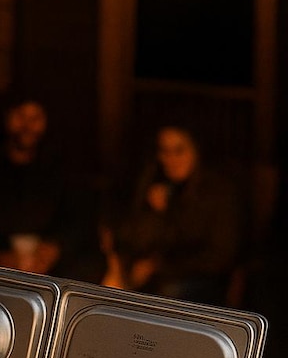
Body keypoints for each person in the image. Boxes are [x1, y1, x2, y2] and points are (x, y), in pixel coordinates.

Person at [0, 97, 105, 282]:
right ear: (7, 118)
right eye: (21, 117)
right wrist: (0, 254)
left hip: (52, 260)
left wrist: (55, 246)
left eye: (35, 119)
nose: (27, 126)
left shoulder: (61, 168)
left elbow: (80, 218)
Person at [104, 124, 243, 305]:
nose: (170, 159)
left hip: (203, 277)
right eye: (164, 151)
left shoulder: (219, 192)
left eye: (179, 151)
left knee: (165, 293)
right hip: (156, 272)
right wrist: (156, 213)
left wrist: (159, 267)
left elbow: (219, 256)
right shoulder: (160, 185)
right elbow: (132, 237)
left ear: (196, 151)